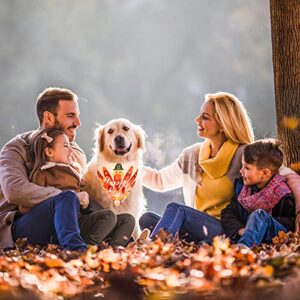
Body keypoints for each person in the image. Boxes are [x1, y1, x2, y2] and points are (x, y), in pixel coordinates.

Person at [140, 92, 300, 244]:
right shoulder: (192, 155)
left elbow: (287, 176)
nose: (197, 120)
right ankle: (170, 243)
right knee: (147, 219)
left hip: (228, 230)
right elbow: (159, 180)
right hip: (197, 227)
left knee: (175, 209)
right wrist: (130, 168)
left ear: (223, 125)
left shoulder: (244, 155)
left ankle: (153, 247)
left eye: (205, 117)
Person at [0, 87, 133, 250]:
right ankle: (76, 251)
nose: (78, 123)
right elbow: (14, 190)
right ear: (48, 117)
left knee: (121, 219)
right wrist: (66, 196)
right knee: (68, 198)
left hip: (67, 222)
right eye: (70, 116)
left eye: (77, 116)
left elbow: (82, 194)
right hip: (22, 225)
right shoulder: (17, 147)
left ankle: (111, 250)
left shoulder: (75, 152)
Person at [21, 128, 135, 247]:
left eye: (70, 146)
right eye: (66, 146)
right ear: (49, 152)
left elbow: (85, 200)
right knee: (108, 216)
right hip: (65, 225)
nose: (71, 150)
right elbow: (31, 207)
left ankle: (115, 249)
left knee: (128, 219)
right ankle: (88, 248)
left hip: (82, 218)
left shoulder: (74, 172)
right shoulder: (43, 174)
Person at [221, 139, 295, 248]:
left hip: (272, 236)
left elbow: (291, 223)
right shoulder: (242, 188)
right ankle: (245, 242)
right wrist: (240, 229)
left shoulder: (282, 194)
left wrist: (259, 226)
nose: (241, 171)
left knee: (259, 215)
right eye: (242, 166)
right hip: (245, 235)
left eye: (246, 168)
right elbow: (228, 213)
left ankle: (242, 250)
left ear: (265, 173)